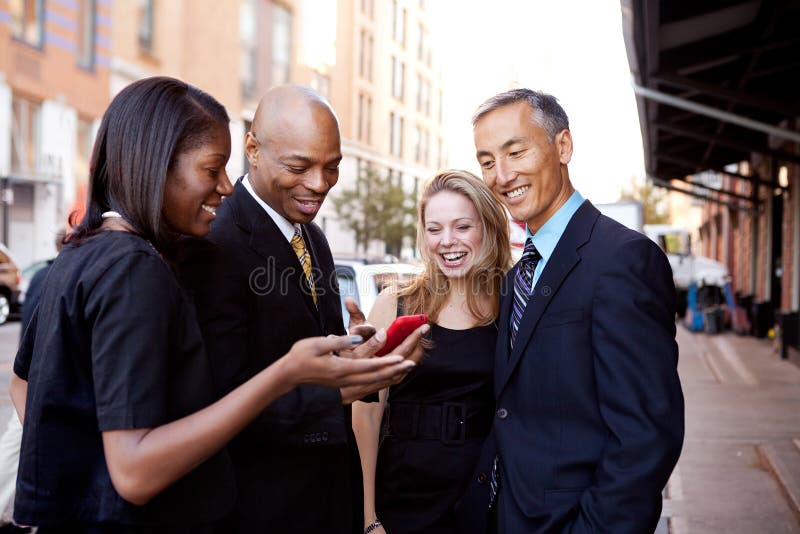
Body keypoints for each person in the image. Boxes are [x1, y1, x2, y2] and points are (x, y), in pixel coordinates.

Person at [10, 76, 416, 534]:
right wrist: (289, 375)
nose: (224, 185)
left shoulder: (83, 250)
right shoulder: (158, 259)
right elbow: (141, 463)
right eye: (211, 169)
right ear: (157, 164)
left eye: (333, 167)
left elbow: (27, 384)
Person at [179, 84, 427, 534]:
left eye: (332, 167)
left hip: (329, 500)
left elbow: (317, 354)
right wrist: (337, 391)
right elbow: (217, 402)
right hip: (260, 511)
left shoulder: (313, 237)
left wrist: (357, 357)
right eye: (299, 167)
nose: (319, 183)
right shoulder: (214, 243)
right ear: (253, 149)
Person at [459, 88, 685, 533]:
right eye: (487, 161)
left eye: (515, 152)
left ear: (562, 146)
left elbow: (645, 437)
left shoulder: (623, 259)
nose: (502, 175)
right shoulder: (517, 274)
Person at [352, 170, 511, 534]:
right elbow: (365, 417)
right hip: (401, 499)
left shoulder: (513, 307)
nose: (447, 241)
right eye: (434, 229)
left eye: (462, 227)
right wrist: (368, 518)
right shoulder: (396, 304)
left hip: (484, 501)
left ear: (487, 228)